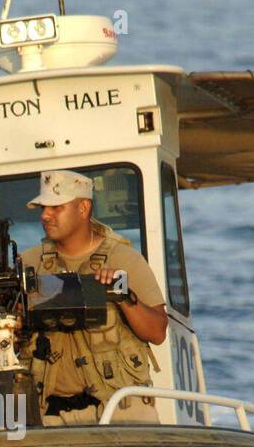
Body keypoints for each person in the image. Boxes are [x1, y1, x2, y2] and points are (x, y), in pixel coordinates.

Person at [17, 170, 167, 425]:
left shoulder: (124, 259)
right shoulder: (29, 265)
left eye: (56, 207)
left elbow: (158, 332)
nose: (45, 216)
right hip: (50, 416)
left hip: (118, 411)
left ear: (83, 207)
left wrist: (123, 296)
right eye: (43, 208)